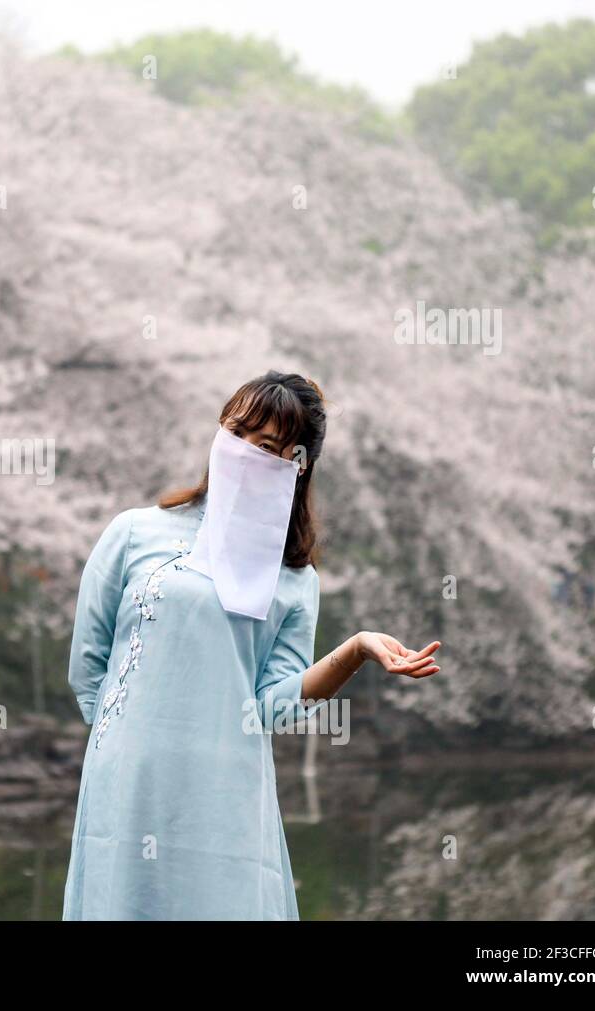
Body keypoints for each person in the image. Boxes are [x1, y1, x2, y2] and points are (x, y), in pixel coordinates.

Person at [62, 371, 441, 920]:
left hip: (225, 792)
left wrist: (354, 650)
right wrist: (124, 741)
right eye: (236, 432)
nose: (242, 451)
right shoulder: (134, 533)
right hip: (129, 783)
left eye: (264, 446)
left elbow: (273, 706)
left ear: (295, 465)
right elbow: (88, 665)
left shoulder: (293, 579)